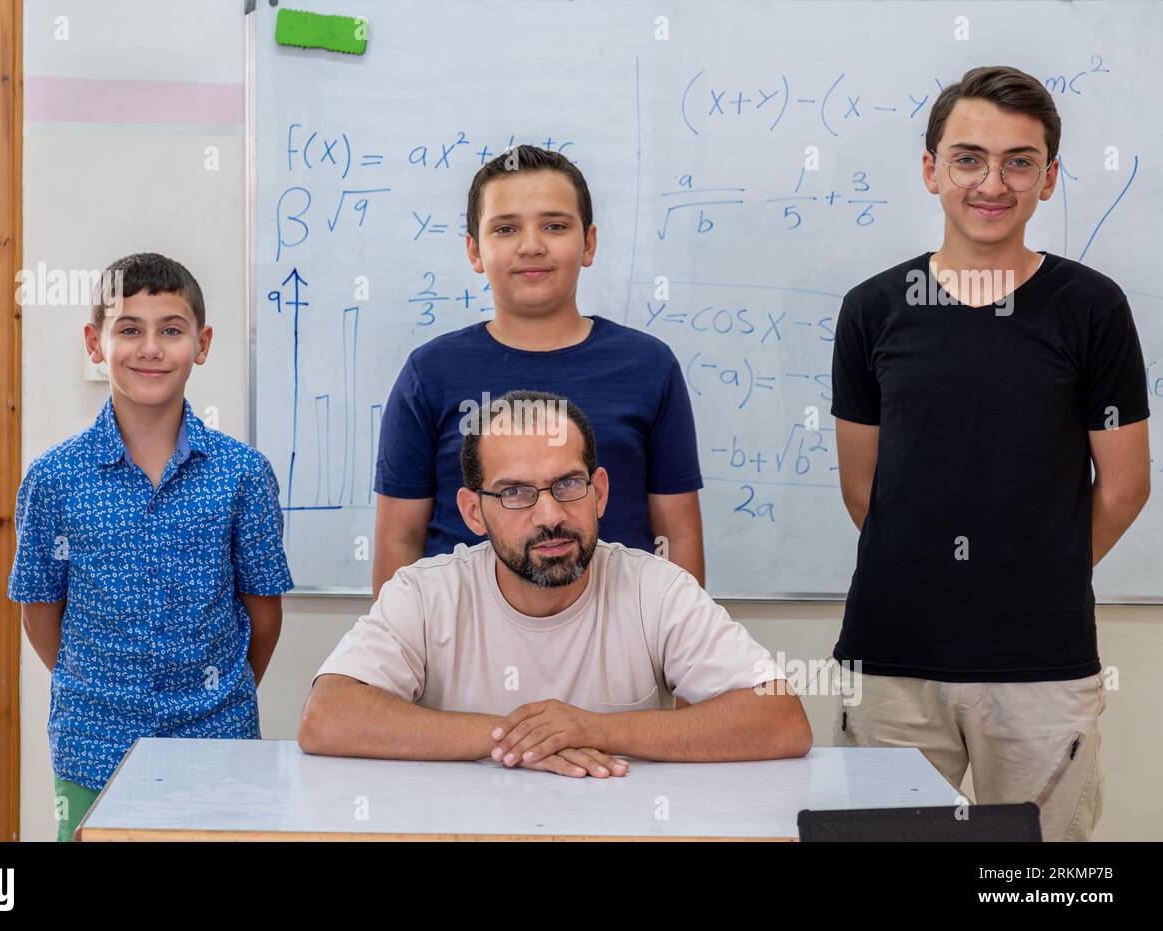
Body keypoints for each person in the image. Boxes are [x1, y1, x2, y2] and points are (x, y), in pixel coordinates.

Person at [830, 66, 1150, 841]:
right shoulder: (873, 309)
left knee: (1034, 887)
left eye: (1019, 161)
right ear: (932, 169)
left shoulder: (1091, 307)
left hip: (1043, 665)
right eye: (969, 158)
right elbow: (863, 487)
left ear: (1047, 178)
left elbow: (1126, 485)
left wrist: (1037, 574)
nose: (992, 182)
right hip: (892, 660)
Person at [303, 390, 810, 777]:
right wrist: (519, 738)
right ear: (473, 511)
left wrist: (595, 728)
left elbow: (781, 719)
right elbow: (328, 715)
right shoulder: (425, 593)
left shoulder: (657, 588)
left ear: (600, 493)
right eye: (516, 492)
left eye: (568, 485)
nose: (550, 516)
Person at [7, 252, 293, 840]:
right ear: (95, 342)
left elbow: (263, 616)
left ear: (202, 342)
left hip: (217, 743)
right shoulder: (53, 478)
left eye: (171, 329)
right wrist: (99, 689)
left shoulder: (243, 474)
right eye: (129, 329)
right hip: (94, 746)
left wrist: (218, 696)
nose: (151, 348)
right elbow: (40, 613)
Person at [372, 145, 705, 597]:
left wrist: (680, 647)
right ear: (474, 250)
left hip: (619, 637)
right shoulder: (429, 373)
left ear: (588, 243)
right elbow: (399, 539)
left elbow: (678, 535)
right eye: (506, 228)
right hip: (465, 641)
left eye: (555, 225)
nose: (531, 245)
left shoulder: (649, 366)